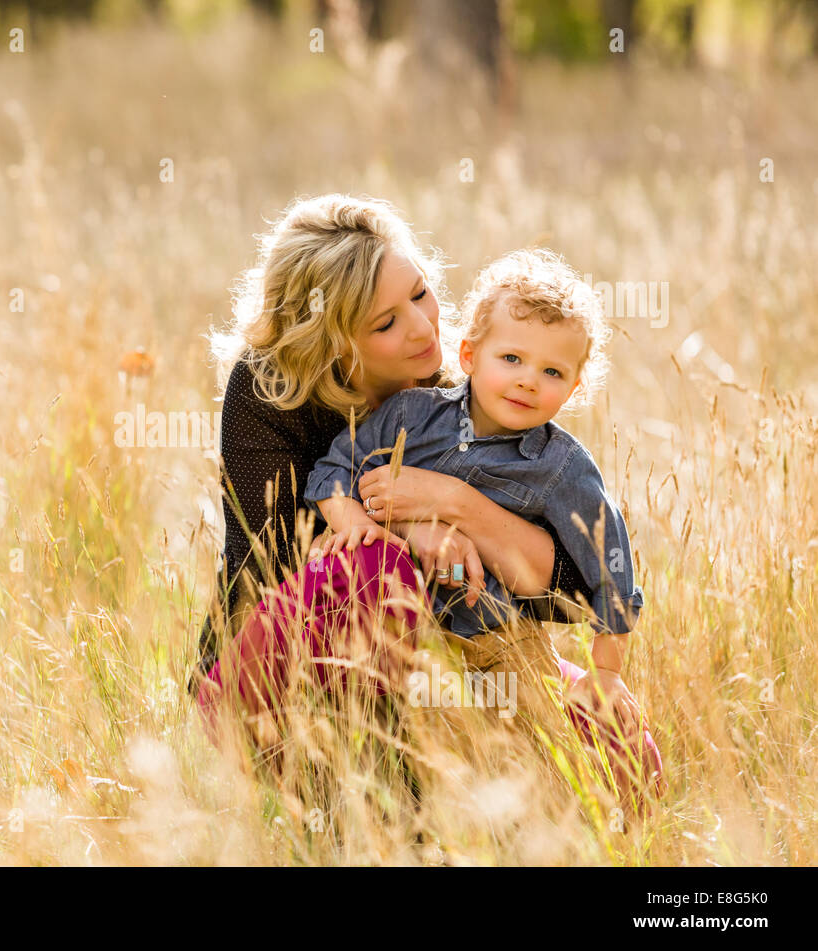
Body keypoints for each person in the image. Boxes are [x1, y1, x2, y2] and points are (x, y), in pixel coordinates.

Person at [191, 195, 599, 765]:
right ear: (332, 342)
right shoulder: (269, 391)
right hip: (281, 674)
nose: (422, 326)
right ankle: (345, 775)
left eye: (419, 292)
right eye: (386, 322)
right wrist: (410, 529)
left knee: (619, 746)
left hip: (458, 648)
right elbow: (278, 560)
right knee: (376, 573)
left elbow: (573, 593)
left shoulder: (468, 381)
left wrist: (453, 503)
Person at [305, 248, 664, 805]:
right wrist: (353, 518)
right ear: (470, 354)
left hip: (503, 644)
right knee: (436, 778)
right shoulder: (411, 416)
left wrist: (607, 668)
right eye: (512, 359)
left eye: (551, 372)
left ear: (573, 389)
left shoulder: (560, 466)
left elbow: (609, 558)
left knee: (542, 779)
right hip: (411, 640)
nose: (527, 382)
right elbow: (333, 468)